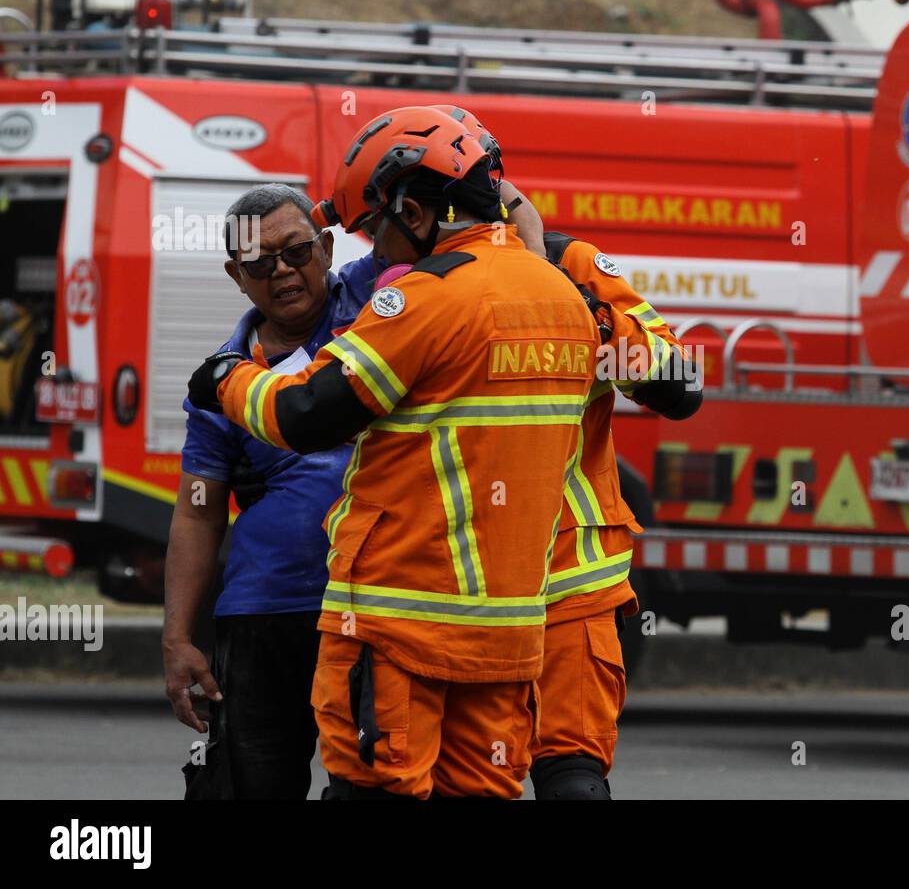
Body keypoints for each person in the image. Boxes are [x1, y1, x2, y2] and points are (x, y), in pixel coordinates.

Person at [186, 106, 601, 799]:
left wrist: (228, 380)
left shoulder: (427, 298)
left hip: (400, 629)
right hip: (508, 634)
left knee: (374, 792)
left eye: (375, 226)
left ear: (412, 209)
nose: (377, 247)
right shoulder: (563, 300)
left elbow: (306, 412)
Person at [437, 106, 702, 798]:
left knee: (574, 780)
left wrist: (578, 308)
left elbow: (680, 383)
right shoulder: (411, 283)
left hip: (569, 578)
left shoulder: (569, 262)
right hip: (453, 583)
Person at [162, 183, 374, 799]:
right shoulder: (219, 379)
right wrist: (178, 639)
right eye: (259, 263)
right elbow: (198, 513)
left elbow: (463, 217)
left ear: (327, 248)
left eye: (296, 251)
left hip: (376, 609)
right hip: (261, 619)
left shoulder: (377, 297)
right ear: (237, 276)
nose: (282, 271)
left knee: (376, 789)